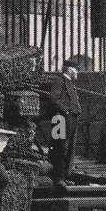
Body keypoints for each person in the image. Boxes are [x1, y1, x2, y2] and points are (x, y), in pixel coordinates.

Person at [46, 59, 82, 189]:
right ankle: (58, 178)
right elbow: (53, 99)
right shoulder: (59, 81)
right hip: (59, 119)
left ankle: (64, 177)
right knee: (60, 148)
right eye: (76, 70)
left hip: (69, 120)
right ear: (70, 70)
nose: (77, 72)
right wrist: (66, 111)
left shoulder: (70, 83)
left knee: (68, 149)